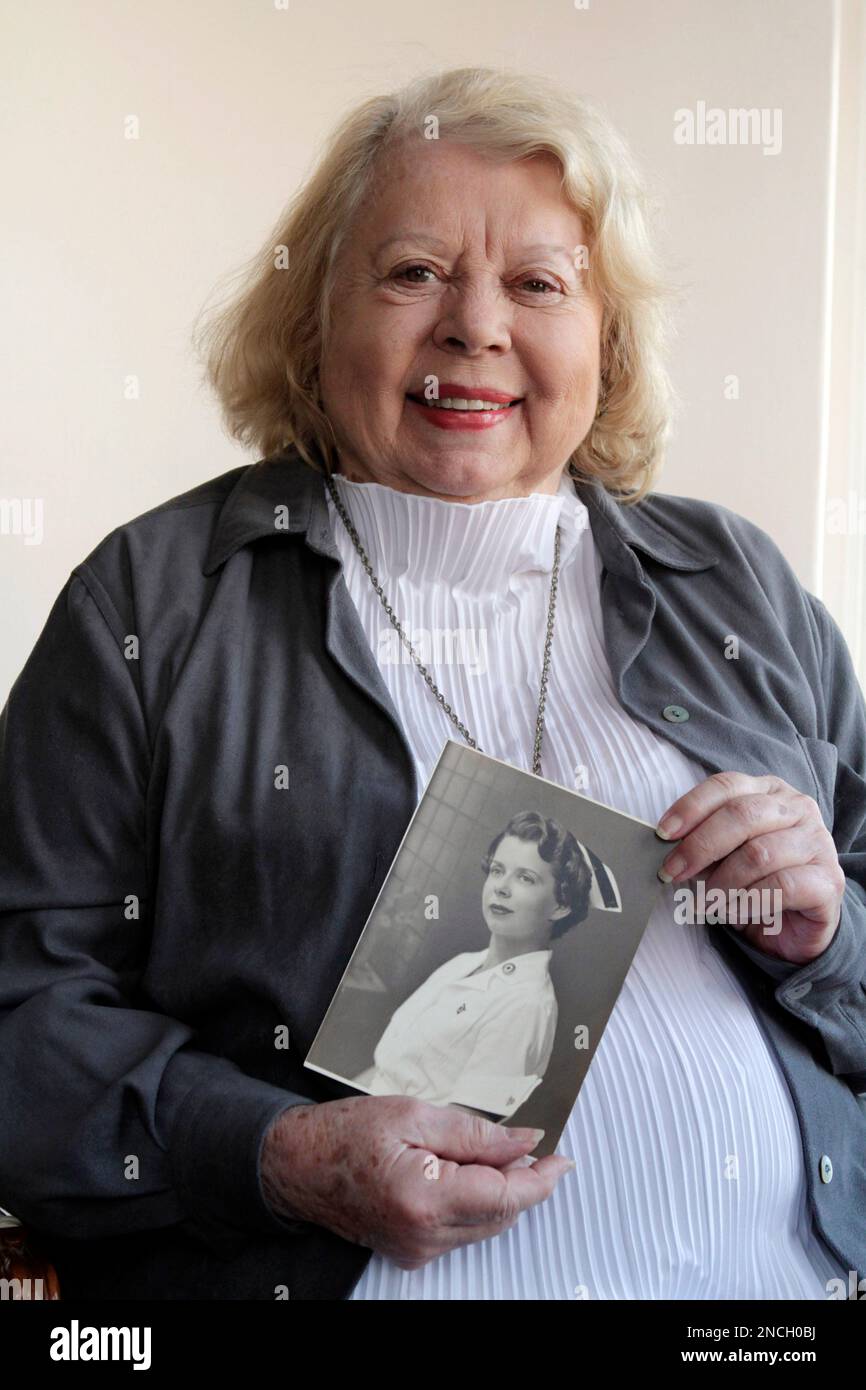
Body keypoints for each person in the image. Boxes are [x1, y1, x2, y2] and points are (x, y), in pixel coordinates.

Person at [1, 65, 864, 1301]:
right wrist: (273, 1153)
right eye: (411, 272)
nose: (475, 325)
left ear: (603, 338)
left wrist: (826, 933)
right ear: (313, 318)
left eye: (538, 284)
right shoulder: (151, 603)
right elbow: (22, 1007)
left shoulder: (733, 579)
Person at [352, 811, 594, 1117]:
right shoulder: (464, 963)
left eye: (525, 878)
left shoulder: (527, 1005)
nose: (501, 887)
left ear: (561, 905)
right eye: (497, 870)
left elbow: (459, 1130)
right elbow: (383, 1070)